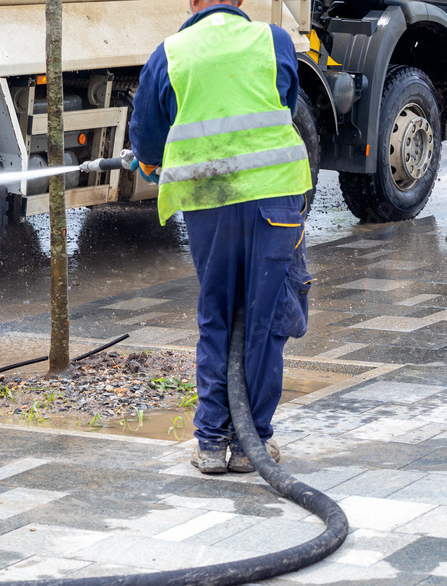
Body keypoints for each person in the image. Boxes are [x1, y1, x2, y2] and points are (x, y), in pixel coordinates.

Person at [129, 0, 313, 474]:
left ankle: (211, 442)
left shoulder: (170, 53)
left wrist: (150, 162)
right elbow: (284, 104)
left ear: (192, 2)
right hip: (274, 199)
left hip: (208, 202)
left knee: (217, 316)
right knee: (265, 318)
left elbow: (148, 141)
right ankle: (254, 442)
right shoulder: (272, 41)